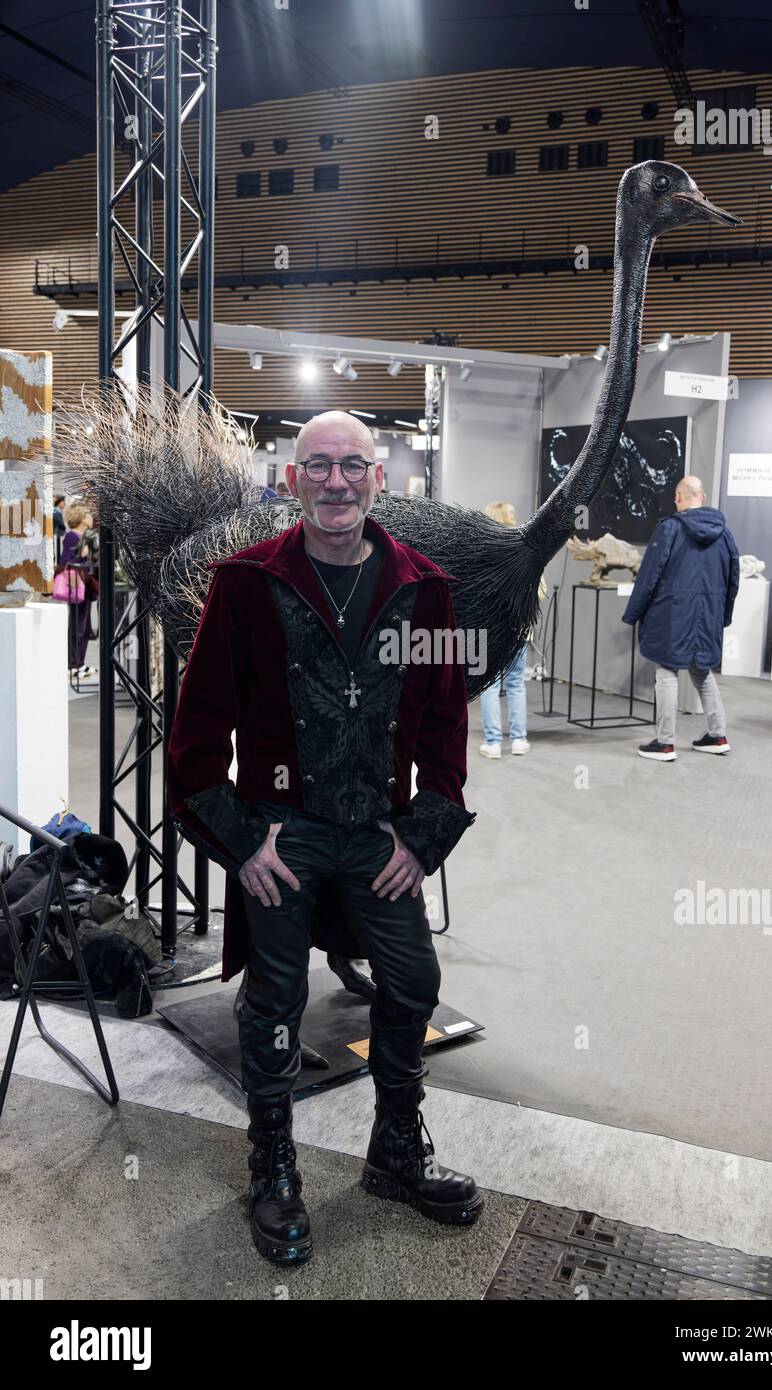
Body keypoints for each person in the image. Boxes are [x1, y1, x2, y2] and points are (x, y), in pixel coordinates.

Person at [166, 410, 482, 1267]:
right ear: (292, 479)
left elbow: (446, 732)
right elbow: (195, 737)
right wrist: (242, 843)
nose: (335, 482)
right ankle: (272, 1167)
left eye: (352, 466)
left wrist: (421, 837)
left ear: (377, 478)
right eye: (318, 467)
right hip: (283, 833)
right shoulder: (242, 584)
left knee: (412, 980)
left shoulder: (427, 589)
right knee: (274, 1003)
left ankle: (392, 1152)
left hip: (380, 833)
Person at [622, 475, 739, 761]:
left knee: (666, 672)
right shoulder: (724, 534)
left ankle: (665, 743)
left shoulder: (670, 529)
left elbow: (648, 576)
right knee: (702, 672)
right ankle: (717, 735)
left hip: (671, 615)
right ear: (704, 497)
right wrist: (724, 616)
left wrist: (633, 613)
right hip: (708, 616)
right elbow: (733, 579)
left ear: (678, 497)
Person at [478, 500, 547, 758]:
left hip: (490, 632)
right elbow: (541, 590)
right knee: (517, 683)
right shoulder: (528, 550)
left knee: (489, 686)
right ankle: (519, 740)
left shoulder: (483, 553)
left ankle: (493, 743)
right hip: (520, 631)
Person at [59, 501, 97, 677]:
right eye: (88, 515)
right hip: (76, 586)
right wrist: (80, 556)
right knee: (78, 625)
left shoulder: (82, 536)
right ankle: (73, 664)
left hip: (84, 587)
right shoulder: (72, 536)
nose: (91, 518)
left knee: (84, 625)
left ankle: (79, 663)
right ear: (82, 518)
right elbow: (65, 561)